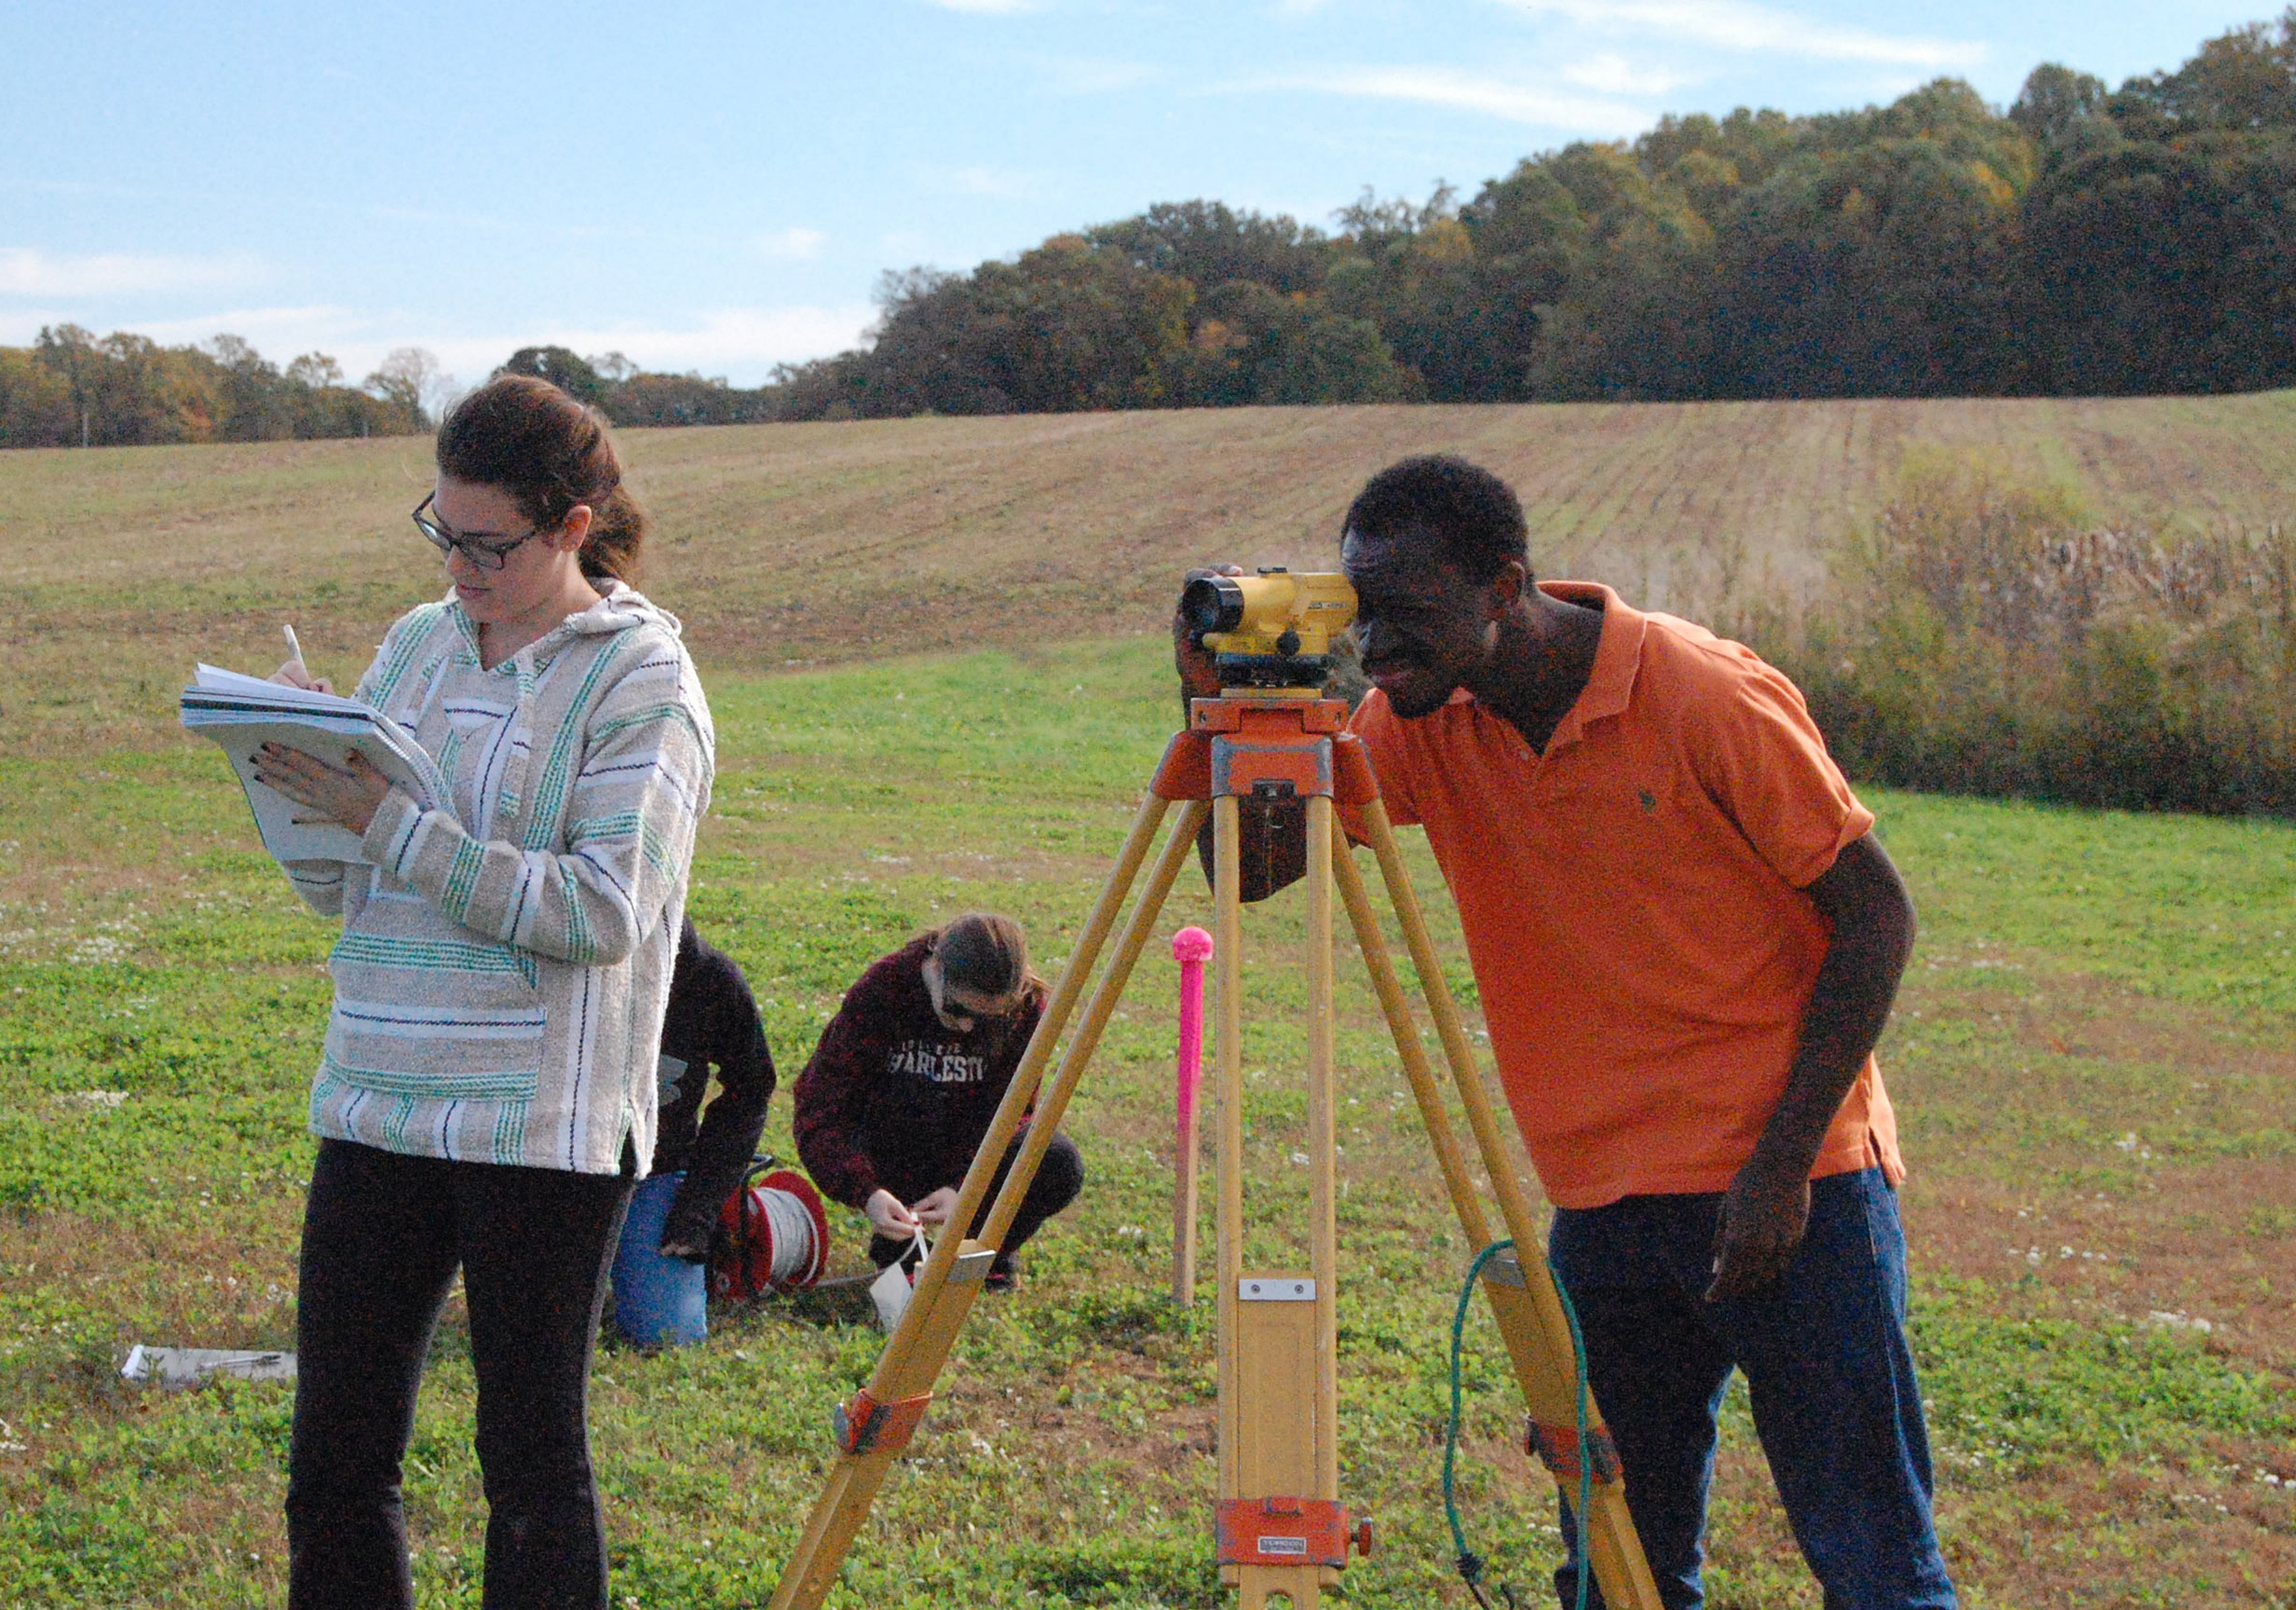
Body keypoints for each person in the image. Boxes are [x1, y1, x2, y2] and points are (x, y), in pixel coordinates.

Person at [1175, 456, 1956, 1610]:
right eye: (1361, 611)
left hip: (1791, 1190)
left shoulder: (1699, 694)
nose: (1377, 647)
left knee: (1875, 1565)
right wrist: (1204, 707)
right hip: (1601, 1204)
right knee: (1615, 1567)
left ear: (1502, 587)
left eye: (1407, 613)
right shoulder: (1416, 721)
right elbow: (1247, 873)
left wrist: (1782, 1167)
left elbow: (1874, 916)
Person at [252, 374, 713, 1610]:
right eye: (441, 532)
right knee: (334, 1467)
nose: (459, 564)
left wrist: (395, 827)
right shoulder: (415, 643)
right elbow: (347, 884)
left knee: (529, 1475)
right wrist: (296, 782)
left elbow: (603, 913)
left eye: (488, 543)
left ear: (571, 527)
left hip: (537, 1125)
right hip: (377, 1100)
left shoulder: (643, 685)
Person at [792, 913, 1082, 1290]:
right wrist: (866, 1192)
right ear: (935, 966)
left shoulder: (1027, 1008)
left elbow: (1012, 1113)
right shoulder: (884, 989)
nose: (967, 1029)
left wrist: (963, 1188)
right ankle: (899, 1243)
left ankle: (984, 1251)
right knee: (916, 1098)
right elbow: (822, 1107)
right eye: (958, 1010)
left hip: (965, 1147)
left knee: (1055, 1160)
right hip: (893, 1140)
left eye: (988, 1020)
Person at [606, 918, 775, 1349]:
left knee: (667, 1335)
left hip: (654, 1171)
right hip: (560, 1173)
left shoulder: (712, 980)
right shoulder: (572, 967)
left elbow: (751, 1088)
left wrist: (697, 1208)